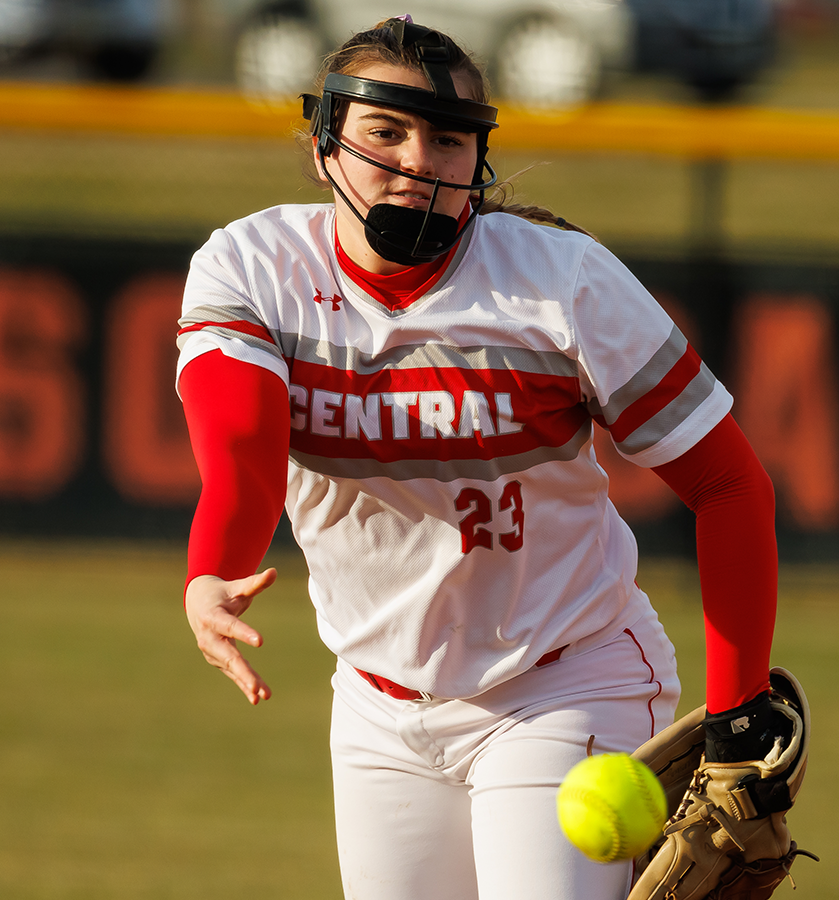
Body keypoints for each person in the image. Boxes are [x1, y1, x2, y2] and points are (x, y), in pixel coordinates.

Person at [176, 18, 783, 900]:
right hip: (380, 706)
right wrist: (211, 572)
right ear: (323, 146)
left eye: (449, 138)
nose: (418, 161)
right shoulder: (253, 267)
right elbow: (242, 453)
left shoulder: (558, 281)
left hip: (565, 680)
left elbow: (730, 484)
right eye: (385, 132)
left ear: (479, 156)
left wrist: (737, 714)